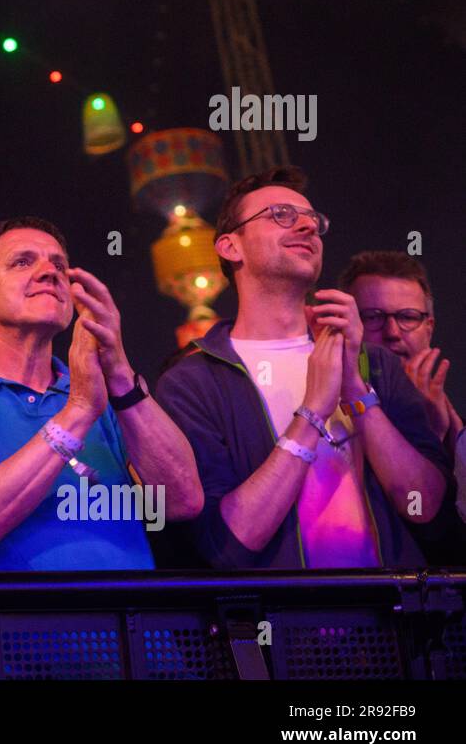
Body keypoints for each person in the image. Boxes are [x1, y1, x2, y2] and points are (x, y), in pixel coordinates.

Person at [154, 167, 453, 568]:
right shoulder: (194, 383)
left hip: (390, 621)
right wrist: (312, 413)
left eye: (313, 220)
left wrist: (356, 391)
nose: (306, 228)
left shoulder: (374, 363)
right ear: (230, 247)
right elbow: (227, 546)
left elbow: (426, 509)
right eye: (280, 214)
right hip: (280, 625)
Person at [0, 217, 203, 570]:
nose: (50, 272)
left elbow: (182, 501)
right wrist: (76, 413)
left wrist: (120, 375)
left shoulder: (107, 393)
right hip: (23, 623)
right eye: (22, 261)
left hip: (136, 621)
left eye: (59, 265)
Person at [339, 251, 462, 448]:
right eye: (373, 317)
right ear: (345, 326)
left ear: (429, 329)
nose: (392, 332)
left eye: (408, 317)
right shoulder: (329, 421)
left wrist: (439, 433)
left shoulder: (456, 430)